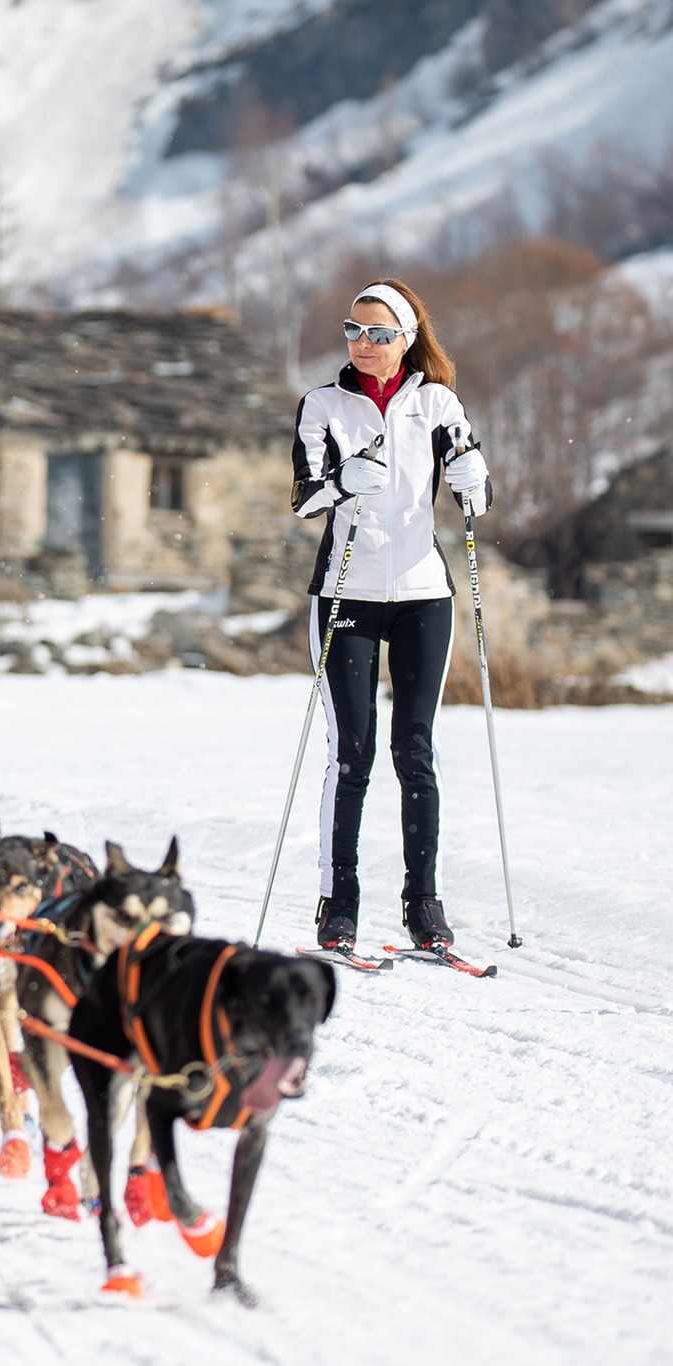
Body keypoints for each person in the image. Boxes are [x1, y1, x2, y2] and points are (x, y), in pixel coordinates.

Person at [289, 279, 491, 953]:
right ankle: (337, 903)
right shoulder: (323, 405)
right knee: (352, 753)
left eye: (380, 334)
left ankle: (423, 904)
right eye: (354, 331)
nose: (365, 344)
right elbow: (304, 500)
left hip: (422, 595)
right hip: (347, 591)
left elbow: (475, 490)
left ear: (407, 339)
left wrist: (473, 483)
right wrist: (343, 483)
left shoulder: (437, 402)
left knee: (416, 750)